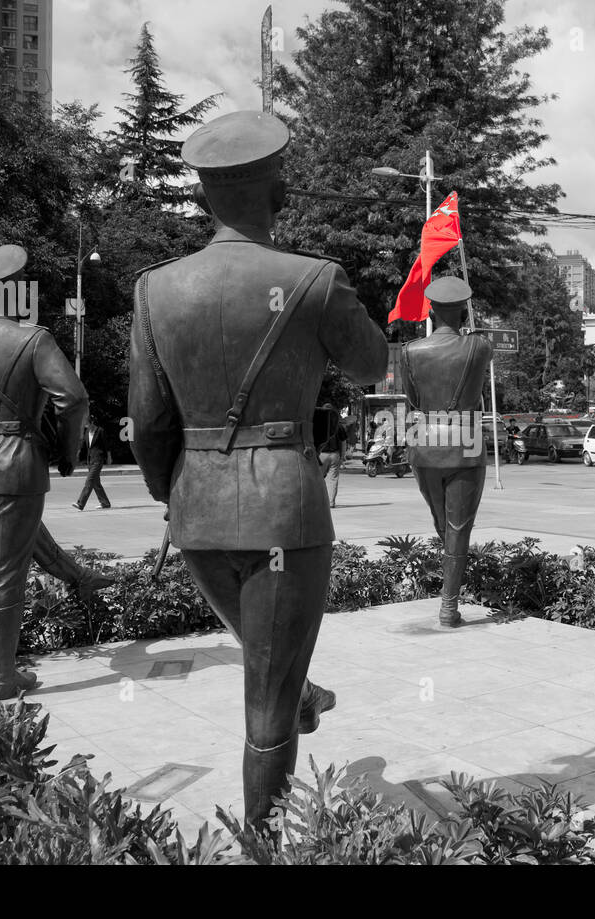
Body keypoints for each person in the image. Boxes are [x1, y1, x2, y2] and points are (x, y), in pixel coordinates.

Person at [128, 110, 388, 833]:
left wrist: (170, 494)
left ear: (207, 198)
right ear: (276, 191)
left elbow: (149, 422)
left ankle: (301, 694)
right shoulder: (313, 279)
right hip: (284, 510)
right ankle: (262, 845)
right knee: (267, 703)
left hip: (197, 514)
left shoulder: (157, 289)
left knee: (267, 654)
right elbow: (371, 365)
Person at [0, 243, 117, 701]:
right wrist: (66, 450)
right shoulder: (33, 340)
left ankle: (79, 577)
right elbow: (74, 399)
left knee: (24, 537)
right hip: (16, 464)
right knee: (7, 572)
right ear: (15, 289)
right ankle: (2, 678)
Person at [402, 276, 494, 627]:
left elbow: (413, 402)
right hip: (465, 442)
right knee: (458, 527)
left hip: (425, 443)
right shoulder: (480, 347)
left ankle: (449, 597)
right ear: (463, 312)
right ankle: (448, 606)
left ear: (430, 309)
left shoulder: (410, 351)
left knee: (443, 523)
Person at [74, 413, 111, 511]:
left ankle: (80, 503)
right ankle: (105, 503)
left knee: (89, 481)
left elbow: (106, 445)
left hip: (98, 459)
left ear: (91, 422)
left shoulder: (100, 431)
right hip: (90, 460)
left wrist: (109, 457)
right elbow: (83, 445)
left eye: (86, 424)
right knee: (96, 483)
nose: (85, 426)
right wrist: (77, 454)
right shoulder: (87, 433)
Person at [314, 404, 346, 507]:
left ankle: (318, 501)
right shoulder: (338, 425)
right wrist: (343, 455)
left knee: (318, 479)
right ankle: (331, 502)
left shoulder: (318, 425)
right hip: (335, 455)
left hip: (321, 455)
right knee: (333, 479)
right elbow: (343, 442)